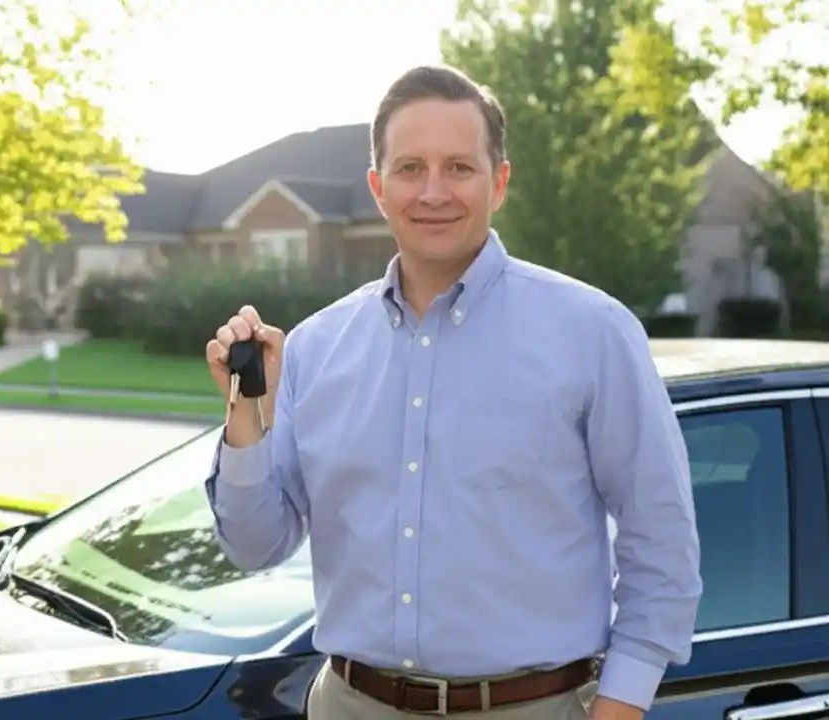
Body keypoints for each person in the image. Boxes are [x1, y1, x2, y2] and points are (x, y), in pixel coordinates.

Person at [202, 64, 702, 720]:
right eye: (410, 168)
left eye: (459, 167)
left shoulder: (593, 333)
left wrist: (620, 707)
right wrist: (245, 413)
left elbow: (660, 542)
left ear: (498, 181)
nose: (433, 191)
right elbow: (254, 545)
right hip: (350, 705)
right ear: (378, 189)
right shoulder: (316, 348)